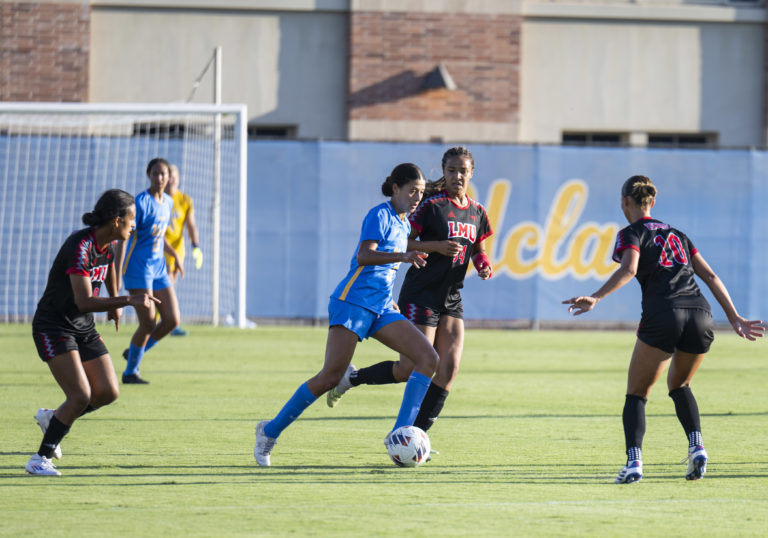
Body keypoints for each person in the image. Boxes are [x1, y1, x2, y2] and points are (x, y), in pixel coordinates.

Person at [562, 175, 764, 484]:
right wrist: (734, 317)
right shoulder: (678, 234)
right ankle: (697, 447)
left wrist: (596, 297)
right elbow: (709, 275)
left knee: (637, 394)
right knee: (680, 385)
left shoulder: (631, 232)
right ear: (652, 202)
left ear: (624, 202)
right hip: (700, 313)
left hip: (664, 313)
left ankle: (634, 463)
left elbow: (629, 268)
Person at [254, 163, 440, 466]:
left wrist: (391, 299)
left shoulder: (405, 223)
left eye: (421, 192)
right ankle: (269, 431)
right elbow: (364, 256)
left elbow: (385, 272)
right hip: (352, 303)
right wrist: (403, 255)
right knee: (329, 376)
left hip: (381, 307)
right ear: (395, 188)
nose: (417, 197)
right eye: (412, 191)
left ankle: (401, 436)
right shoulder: (379, 214)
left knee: (428, 359)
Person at [326, 146, 493, 443]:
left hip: (452, 295)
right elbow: (407, 242)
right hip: (421, 293)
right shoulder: (430, 205)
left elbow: (478, 247)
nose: (457, 175)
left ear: (471, 173)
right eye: (451, 170)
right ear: (444, 171)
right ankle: (352, 378)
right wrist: (438, 246)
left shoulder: (478, 211)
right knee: (410, 368)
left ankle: (414, 438)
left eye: (462, 170)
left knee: (449, 369)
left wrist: (482, 263)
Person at [26, 189, 160, 476]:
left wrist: (114, 302)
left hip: (82, 326)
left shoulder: (107, 244)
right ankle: (39, 459)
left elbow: (110, 267)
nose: (134, 224)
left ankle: (53, 418)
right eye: (131, 218)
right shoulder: (81, 246)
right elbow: (84, 301)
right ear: (115, 220)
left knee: (109, 391)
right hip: (54, 326)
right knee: (80, 395)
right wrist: (128, 299)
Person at [119, 157, 182, 384]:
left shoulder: (167, 202)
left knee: (172, 319)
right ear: (149, 175)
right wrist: (117, 272)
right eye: (155, 173)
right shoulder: (141, 203)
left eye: (163, 173)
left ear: (169, 177)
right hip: (139, 268)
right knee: (148, 322)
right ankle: (130, 372)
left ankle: (137, 352)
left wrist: (174, 254)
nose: (160, 177)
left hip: (159, 267)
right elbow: (125, 235)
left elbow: (160, 233)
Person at [164, 164, 203, 337]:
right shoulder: (159, 199)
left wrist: (196, 246)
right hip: (159, 247)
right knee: (165, 284)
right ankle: (167, 322)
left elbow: (191, 224)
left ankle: (167, 322)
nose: (171, 179)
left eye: (174, 176)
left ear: (178, 179)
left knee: (169, 283)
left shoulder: (185, 200)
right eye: (168, 176)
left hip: (177, 249)